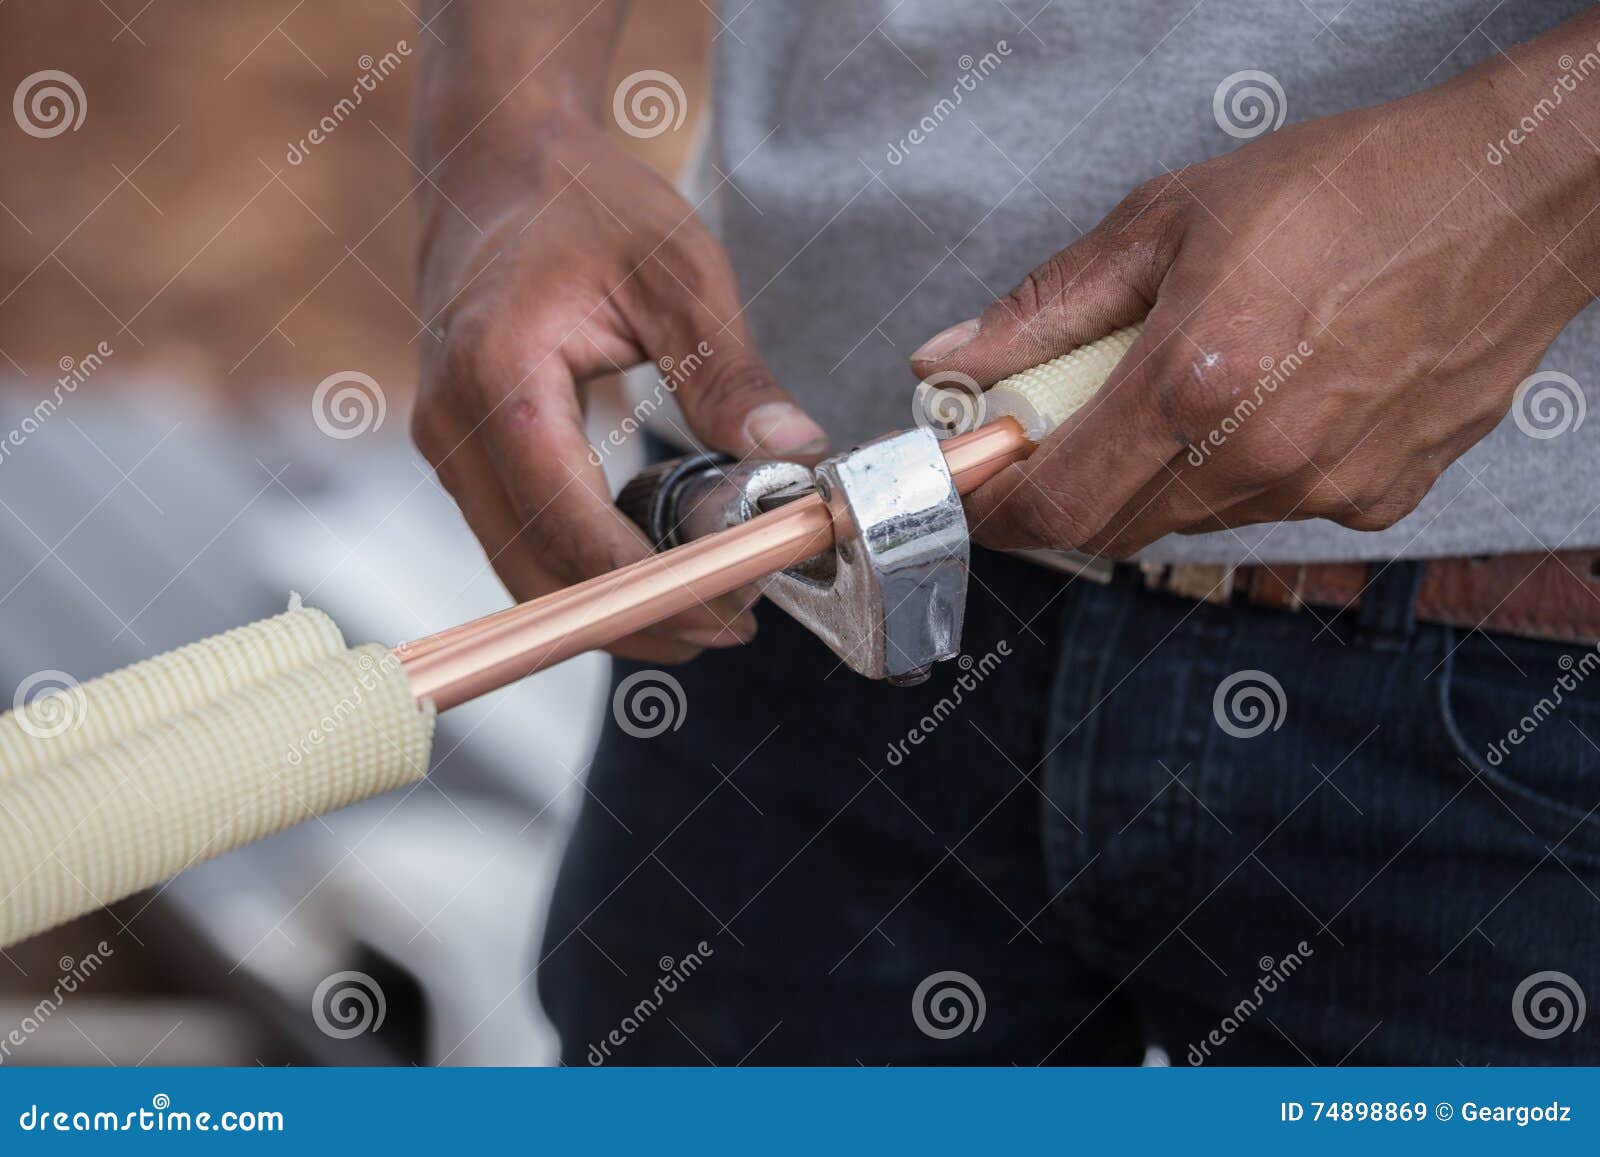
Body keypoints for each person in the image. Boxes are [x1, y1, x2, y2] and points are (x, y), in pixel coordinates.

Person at [411, 1, 1600, 1064]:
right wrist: (510, 127)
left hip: (1517, 678)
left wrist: (1526, 175)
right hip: (806, 595)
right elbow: (509, 112)